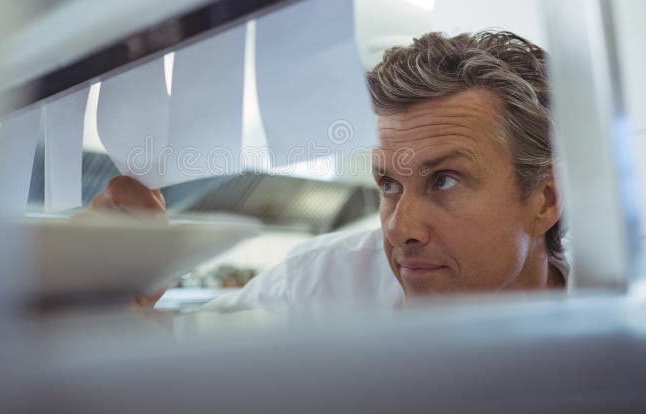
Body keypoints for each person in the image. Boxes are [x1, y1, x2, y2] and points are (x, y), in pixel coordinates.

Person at [89, 30, 568, 310]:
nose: (399, 229)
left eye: (444, 180)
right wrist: (119, 305)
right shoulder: (322, 286)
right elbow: (179, 372)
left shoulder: (610, 333)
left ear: (544, 199)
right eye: (389, 185)